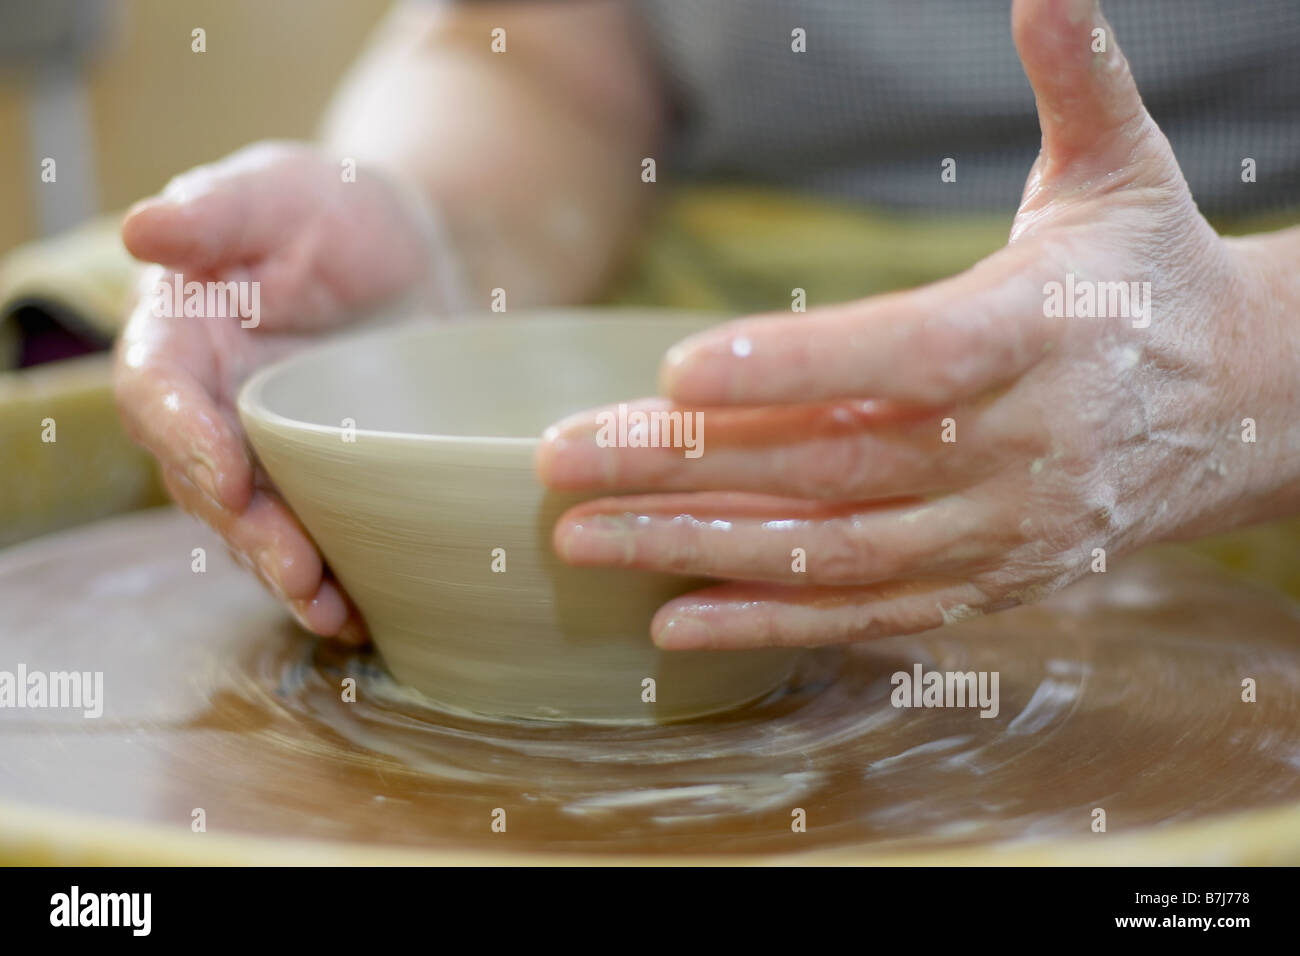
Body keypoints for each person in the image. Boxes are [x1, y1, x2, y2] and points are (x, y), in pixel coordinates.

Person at [114, 0, 1300, 649]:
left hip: (1235, 265)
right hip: (706, 252)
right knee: (107, 301)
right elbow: (533, 42)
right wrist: (434, 236)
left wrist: (1243, 369)